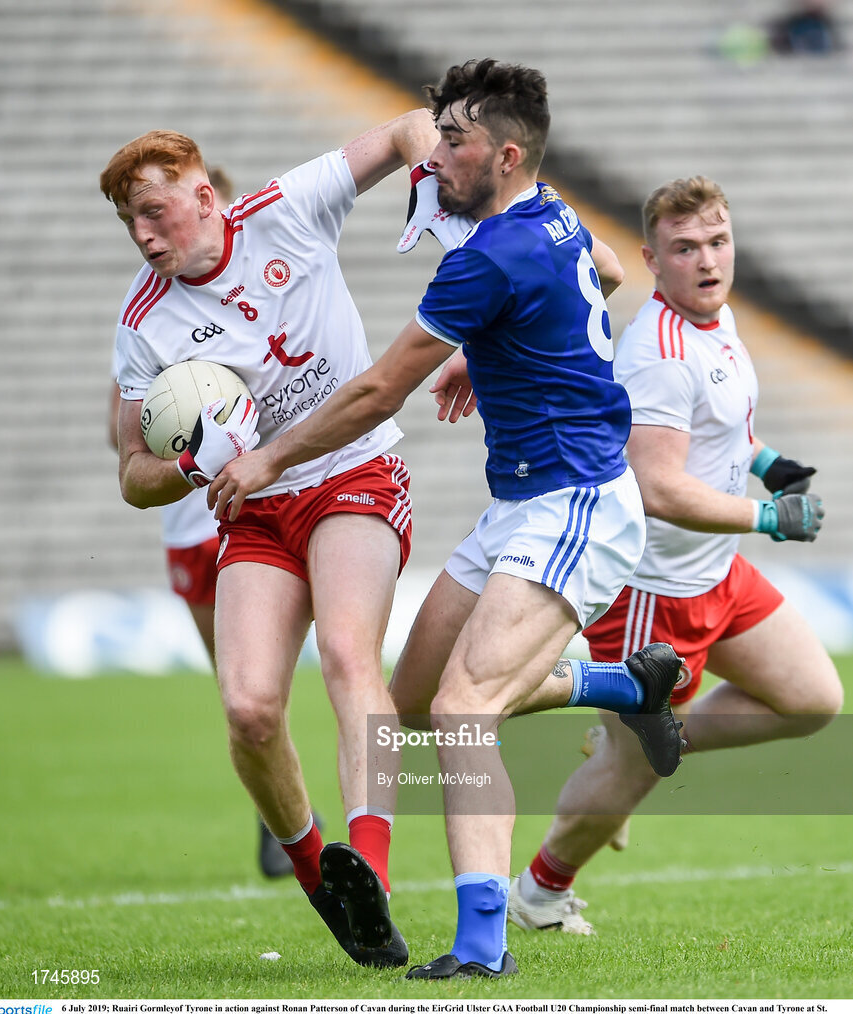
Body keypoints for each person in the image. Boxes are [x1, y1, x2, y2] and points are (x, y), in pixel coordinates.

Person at [206, 59, 686, 979]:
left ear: (504, 155)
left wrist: (267, 457)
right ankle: (625, 687)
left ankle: (480, 945)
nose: (435, 159)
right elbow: (611, 268)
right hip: (520, 508)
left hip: (577, 501)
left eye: (454, 142)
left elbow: (380, 390)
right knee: (418, 702)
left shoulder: (488, 257)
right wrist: (490, 343)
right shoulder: (550, 210)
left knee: (466, 709)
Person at [101, 111, 444, 968]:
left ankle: (370, 865)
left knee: (345, 652)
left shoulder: (288, 207)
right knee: (250, 707)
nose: (144, 235)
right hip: (252, 507)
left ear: (204, 196)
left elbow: (413, 124)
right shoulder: (144, 324)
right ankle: (329, 891)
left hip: (354, 472)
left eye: (155, 212)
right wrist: (192, 462)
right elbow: (131, 475)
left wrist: (428, 193)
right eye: (128, 222)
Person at [503, 175, 842, 937]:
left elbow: (717, 432)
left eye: (716, 242)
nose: (706, 259)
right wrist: (768, 516)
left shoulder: (715, 322)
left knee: (812, 699)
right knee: (630, 774)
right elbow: (656, 484)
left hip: (714, 572)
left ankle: (633, 736)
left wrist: (767, 464)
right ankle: (539, 894)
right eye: (684, 248)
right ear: (652, 261)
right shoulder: (658, 350)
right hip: (654, 589)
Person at [106, 166, 299, 881]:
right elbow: (120, 443)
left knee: (284, 674)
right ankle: (275, 815)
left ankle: (303, 826)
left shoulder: (263, 290)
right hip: (194, 525)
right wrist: (191, 430)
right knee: (245, 693)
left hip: (275, 502)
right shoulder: (147, 326)